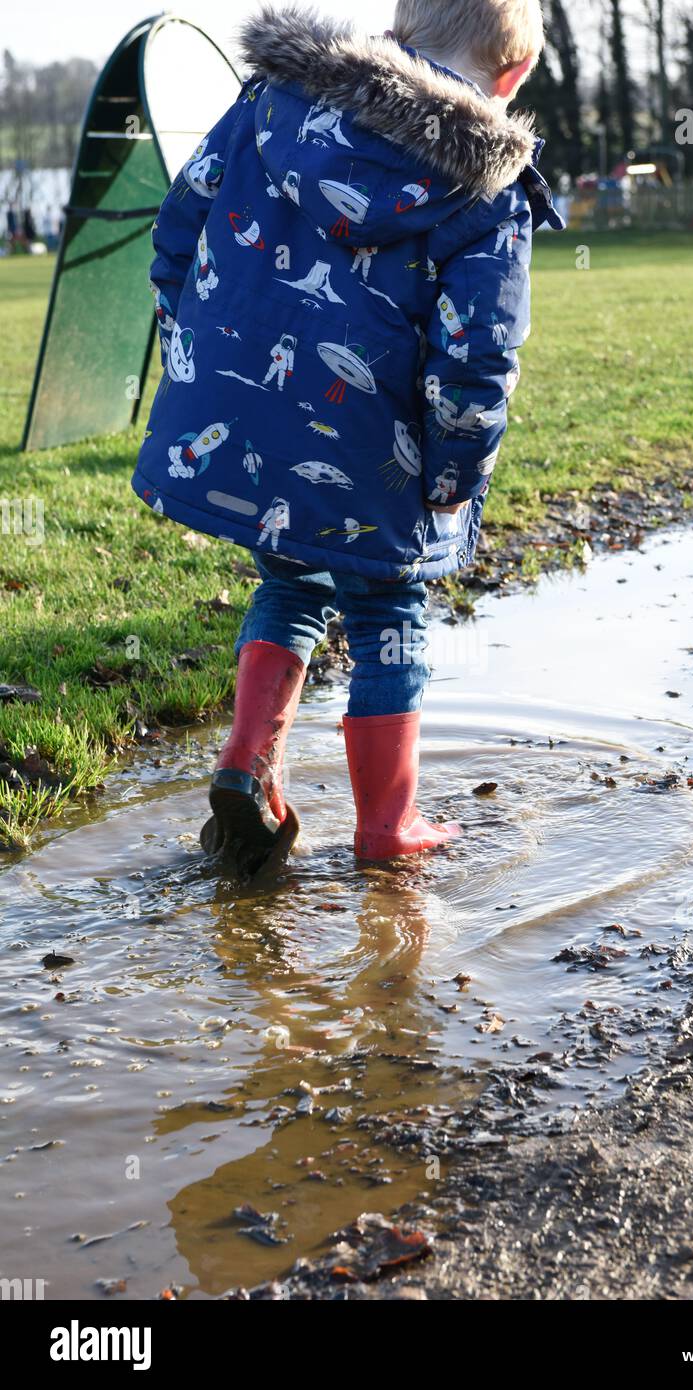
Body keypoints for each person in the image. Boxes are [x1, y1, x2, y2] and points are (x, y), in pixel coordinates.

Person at [131, 0, 564, 871]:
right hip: (379, 449)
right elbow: (476, 355)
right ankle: (385, 828)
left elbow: (180, 224)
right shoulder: (484, 183)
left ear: (399, 34)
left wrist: (197, 346)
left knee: (291, 583)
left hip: (245, 413)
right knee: (389, 611)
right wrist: (455, 469)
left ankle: (248, 765)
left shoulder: (273, 102)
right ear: (511, 77)